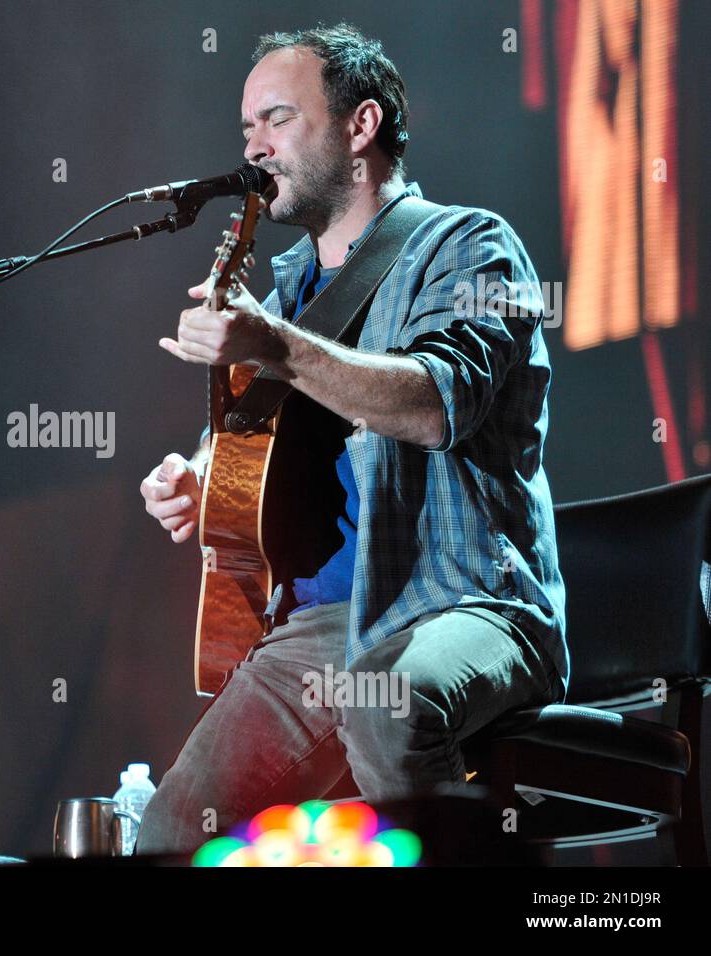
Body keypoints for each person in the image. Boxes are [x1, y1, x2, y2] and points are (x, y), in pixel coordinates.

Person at [136, 24, 569, 854]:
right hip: (320, 626)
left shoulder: (472, 246)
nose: (254, 148)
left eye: (276, 120)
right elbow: (245, 440)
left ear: (360, 127)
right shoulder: (289, 284)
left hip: (461, 598)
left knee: (381, 702)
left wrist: (277, 346)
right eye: (245, 131)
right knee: (168, 835)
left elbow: (437, 407)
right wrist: (196, 477)